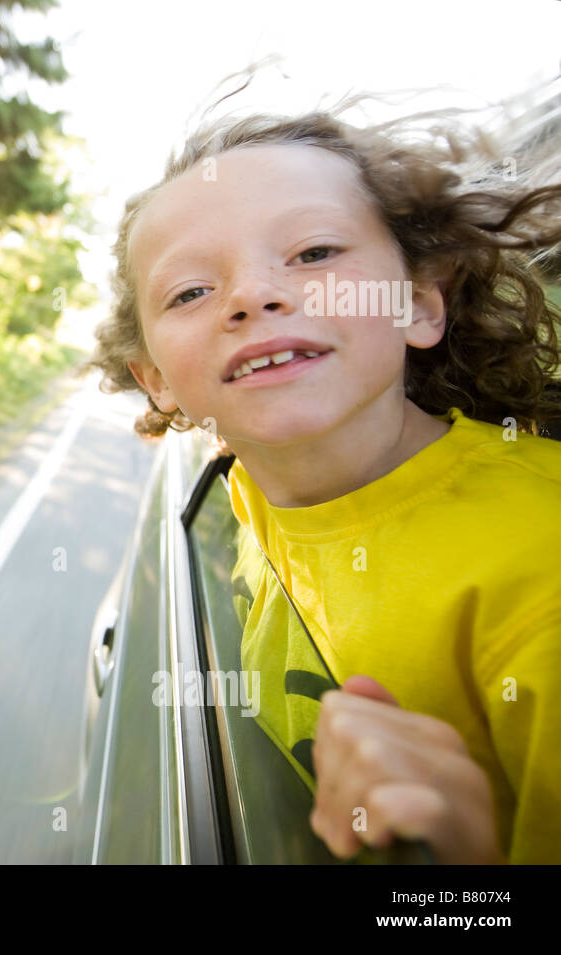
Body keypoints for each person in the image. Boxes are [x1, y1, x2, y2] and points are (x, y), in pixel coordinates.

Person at [88, 106, 561, 864]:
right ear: (158, 382)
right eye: (189, 293)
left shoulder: (542, 578)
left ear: (416, 304)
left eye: (313, 251)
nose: (253, 295)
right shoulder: (244, 486)